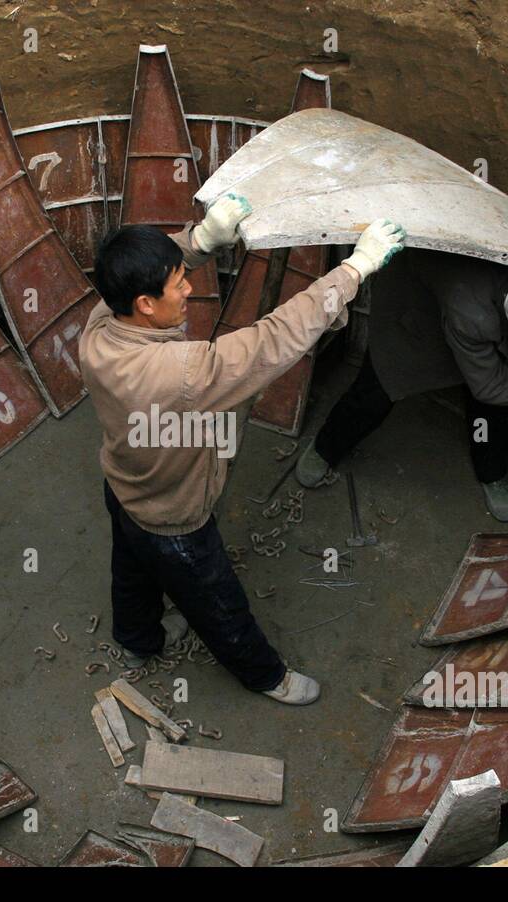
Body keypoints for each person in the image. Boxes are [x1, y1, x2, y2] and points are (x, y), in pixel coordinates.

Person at [79, 196, 404, 704]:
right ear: (146, 304)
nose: (188, 287)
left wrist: (201, 241)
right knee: (217, 602)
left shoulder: (102, 323)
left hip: (124, 486)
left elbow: (157, 274)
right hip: (173, 516)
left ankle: (139, 641)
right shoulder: (178, 372)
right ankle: (264, 676)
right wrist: (354, 269)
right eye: (177, 283)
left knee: (132, 570)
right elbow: (272, 341)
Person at [296, 247, 508, 519]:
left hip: (477, 306)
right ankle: (326, 448)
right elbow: (491, 386)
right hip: (415, 321)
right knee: (377, 389)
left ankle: (491, 472)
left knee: (490, 412)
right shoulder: (475, 319)